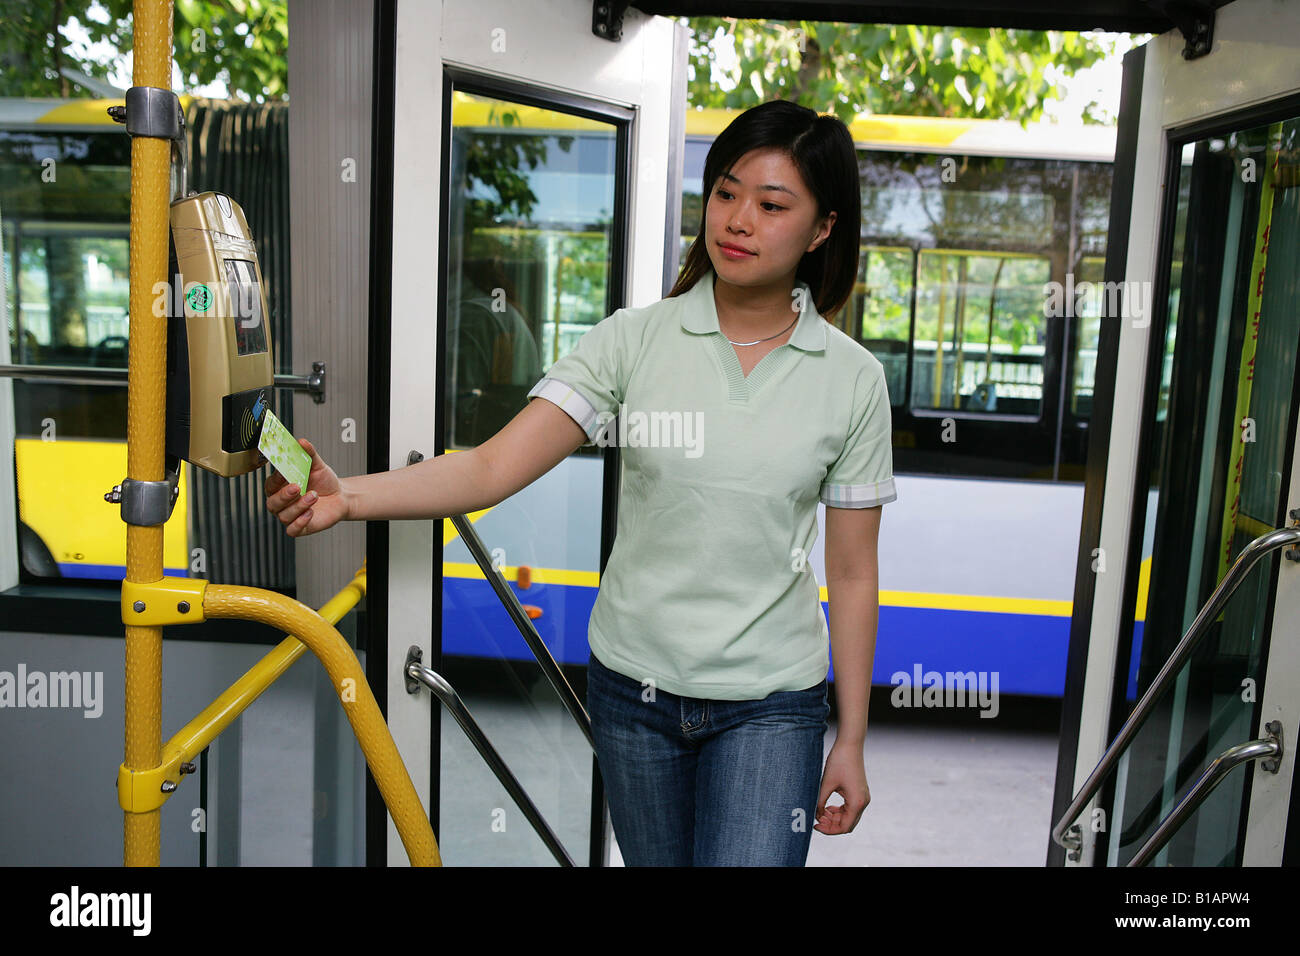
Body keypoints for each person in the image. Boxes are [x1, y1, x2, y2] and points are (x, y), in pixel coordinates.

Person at [265, 99, 895, 867]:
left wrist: (852, 737)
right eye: (725, 193)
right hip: (635, 697)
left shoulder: (853, 380)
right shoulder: (632, 341)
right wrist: (347, 496)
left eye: (771, 205)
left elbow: (854, 573)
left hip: (771, 706)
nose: (737, 220)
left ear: (822, 228)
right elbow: (491, 467)